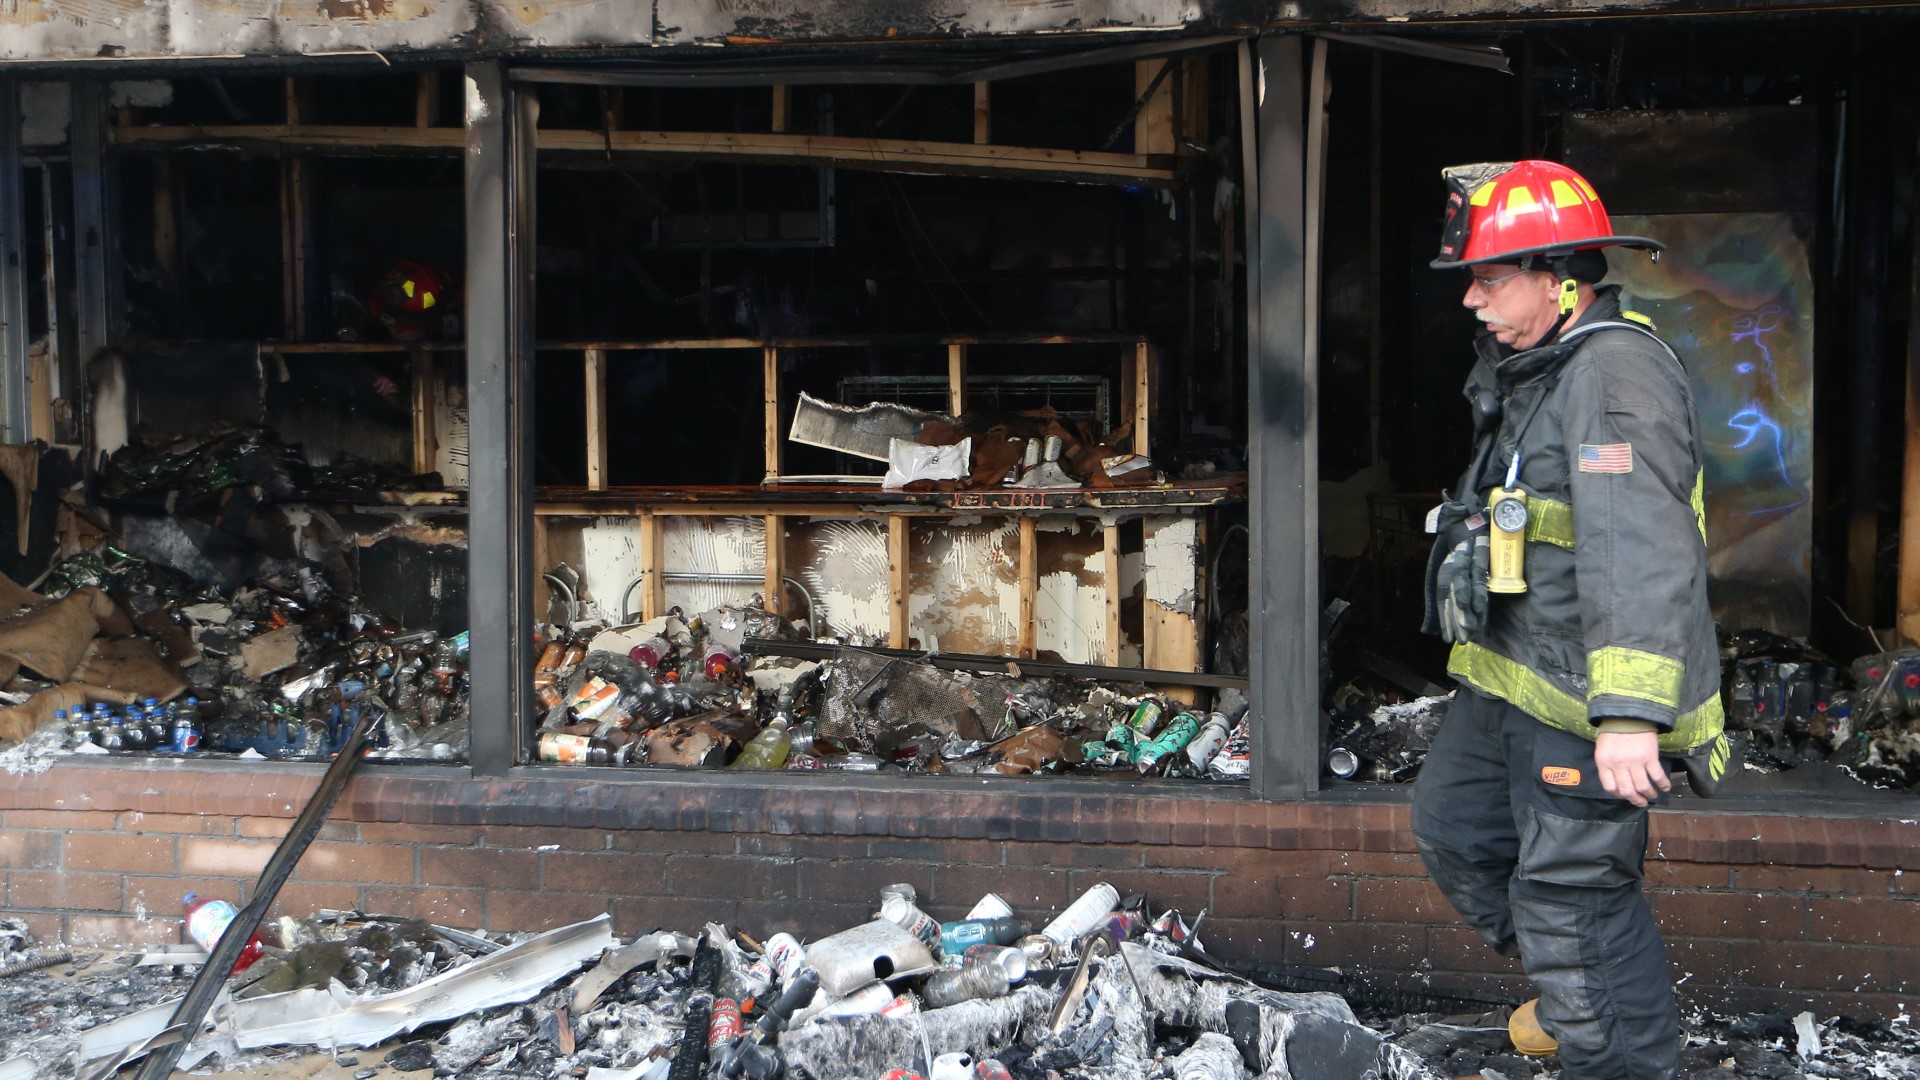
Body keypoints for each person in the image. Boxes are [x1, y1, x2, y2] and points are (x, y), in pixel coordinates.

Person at [1410, 160, 1731, 1080]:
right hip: (1519, 672)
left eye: (1489, 278)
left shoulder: (1614, 374)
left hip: (1590, 695)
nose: (1471, 300)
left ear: (1561, 282)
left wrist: (1629, 715)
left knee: (1574, 895)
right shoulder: (1537, 367)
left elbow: (1638, 543)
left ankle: (1616, 1044)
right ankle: (1586, 989)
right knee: (1456, 829)